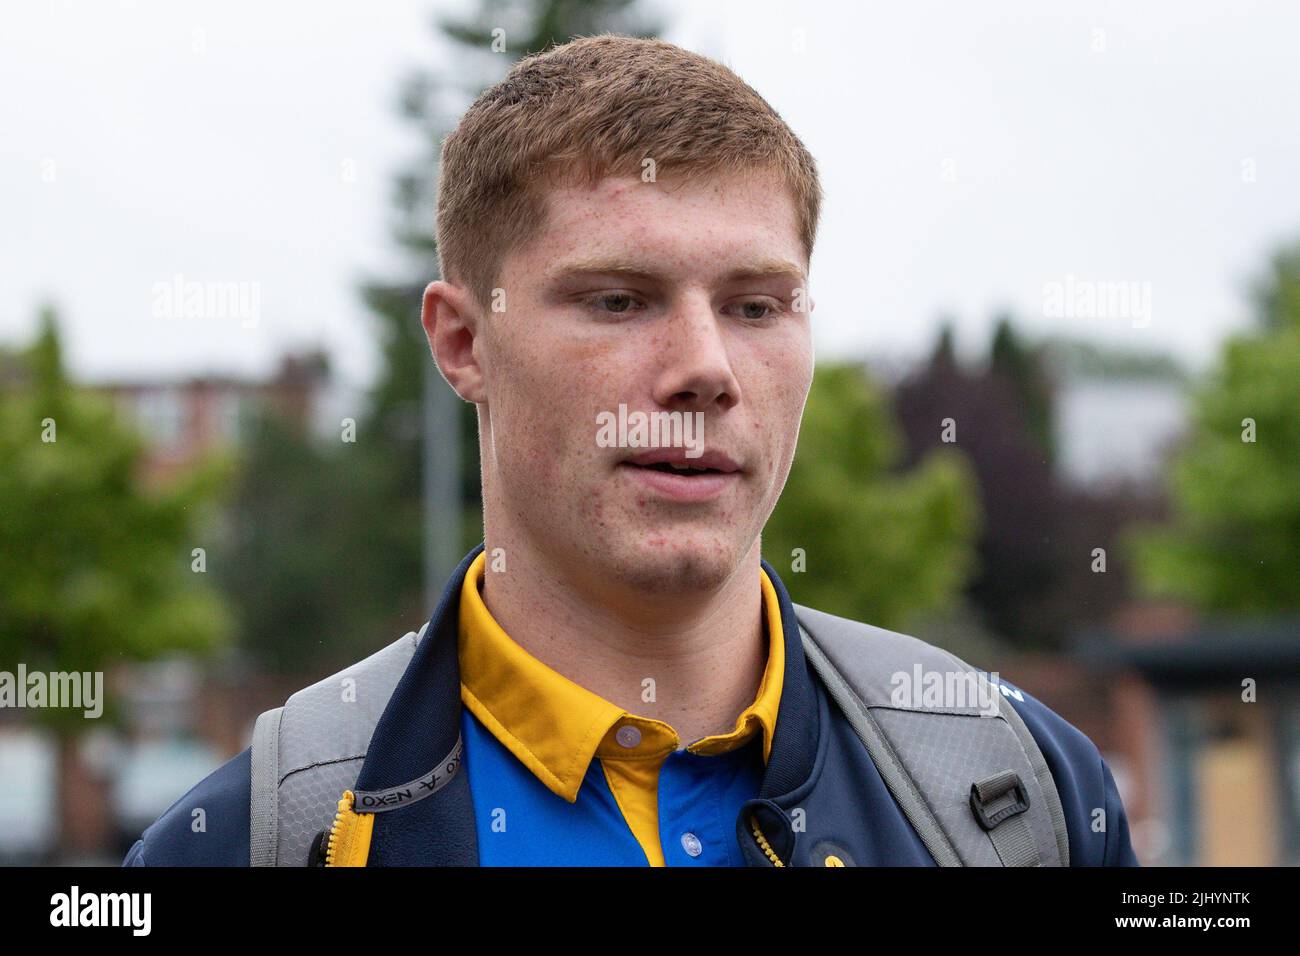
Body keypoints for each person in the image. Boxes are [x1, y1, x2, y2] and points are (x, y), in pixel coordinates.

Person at [123, 33, 1138, 868]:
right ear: (463, 342)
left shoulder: (1019, 794)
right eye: (618, 299)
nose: (705, 367)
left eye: (755, 305)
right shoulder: (250, 843)